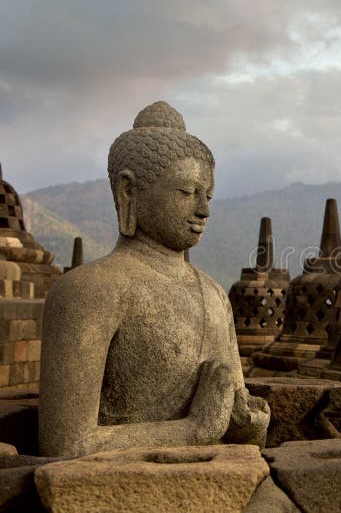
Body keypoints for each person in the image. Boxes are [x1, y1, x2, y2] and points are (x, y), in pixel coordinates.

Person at [39, 101, 269, 457]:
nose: (203, 209)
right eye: (185, 192)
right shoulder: (88, 292)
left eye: (207, 195)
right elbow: (66, 443)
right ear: (129, 191)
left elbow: (234, 423)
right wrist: (194, 430)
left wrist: (248, 424)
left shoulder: (214, 295)